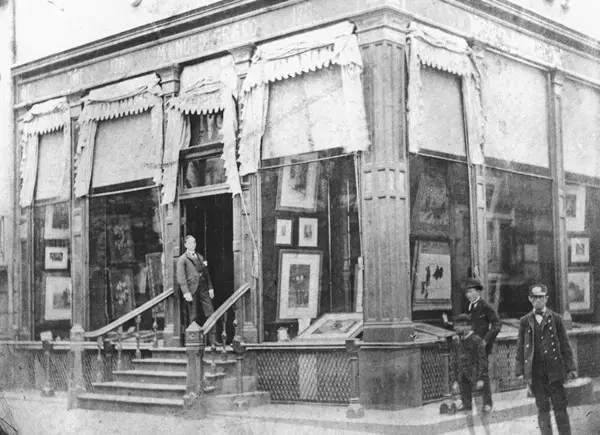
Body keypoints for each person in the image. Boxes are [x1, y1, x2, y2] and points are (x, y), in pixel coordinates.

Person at [515, 284, 577, 435]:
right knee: (542, 409)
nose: (538, 300)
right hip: (536, 373)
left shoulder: (556, 318)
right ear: (530, 299)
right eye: (535, 297)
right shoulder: (525, 321)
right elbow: (521, 347)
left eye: (541, 297)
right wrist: (520, 371)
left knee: (560, 408)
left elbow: (565, 345)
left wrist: (571, 367)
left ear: (546, 298)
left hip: (555, 371)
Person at [464, 277, 501, 412]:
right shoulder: (467, 307)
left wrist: (485, 340)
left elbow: (497, 325)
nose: (468, 295)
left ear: (478, 292)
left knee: (483, 373)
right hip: (468, 346)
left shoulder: (485, 306)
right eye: (467, 292)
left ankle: (488, 403)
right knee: (466, 372)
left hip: (481, 346)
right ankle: (467, 404)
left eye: (471, 292)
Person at [176, 235, 217, 345]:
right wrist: (186, 292)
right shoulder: (182, 259)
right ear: (185, 244)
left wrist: (210, 288)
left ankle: (212, 341)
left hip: (203, 288)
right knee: (193, 315)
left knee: (210, 312)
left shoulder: (200, 257)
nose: (193, 245)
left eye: (194, 242)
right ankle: (193, 342)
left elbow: (206, 274)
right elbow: (181, 278)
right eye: (190, 243)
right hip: (192, 290)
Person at [450, 314, 489, 413]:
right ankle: (466, 404)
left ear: (466, 326)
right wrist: (455, 379)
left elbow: (482, 360)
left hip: (475, 373)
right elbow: (456, 360)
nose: (455, 328)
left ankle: (487, 404)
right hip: (464, 374)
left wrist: (480, 378)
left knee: (481, 390)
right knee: (465, 387)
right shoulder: (459, 340)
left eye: (458, 326)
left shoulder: (476, 340)